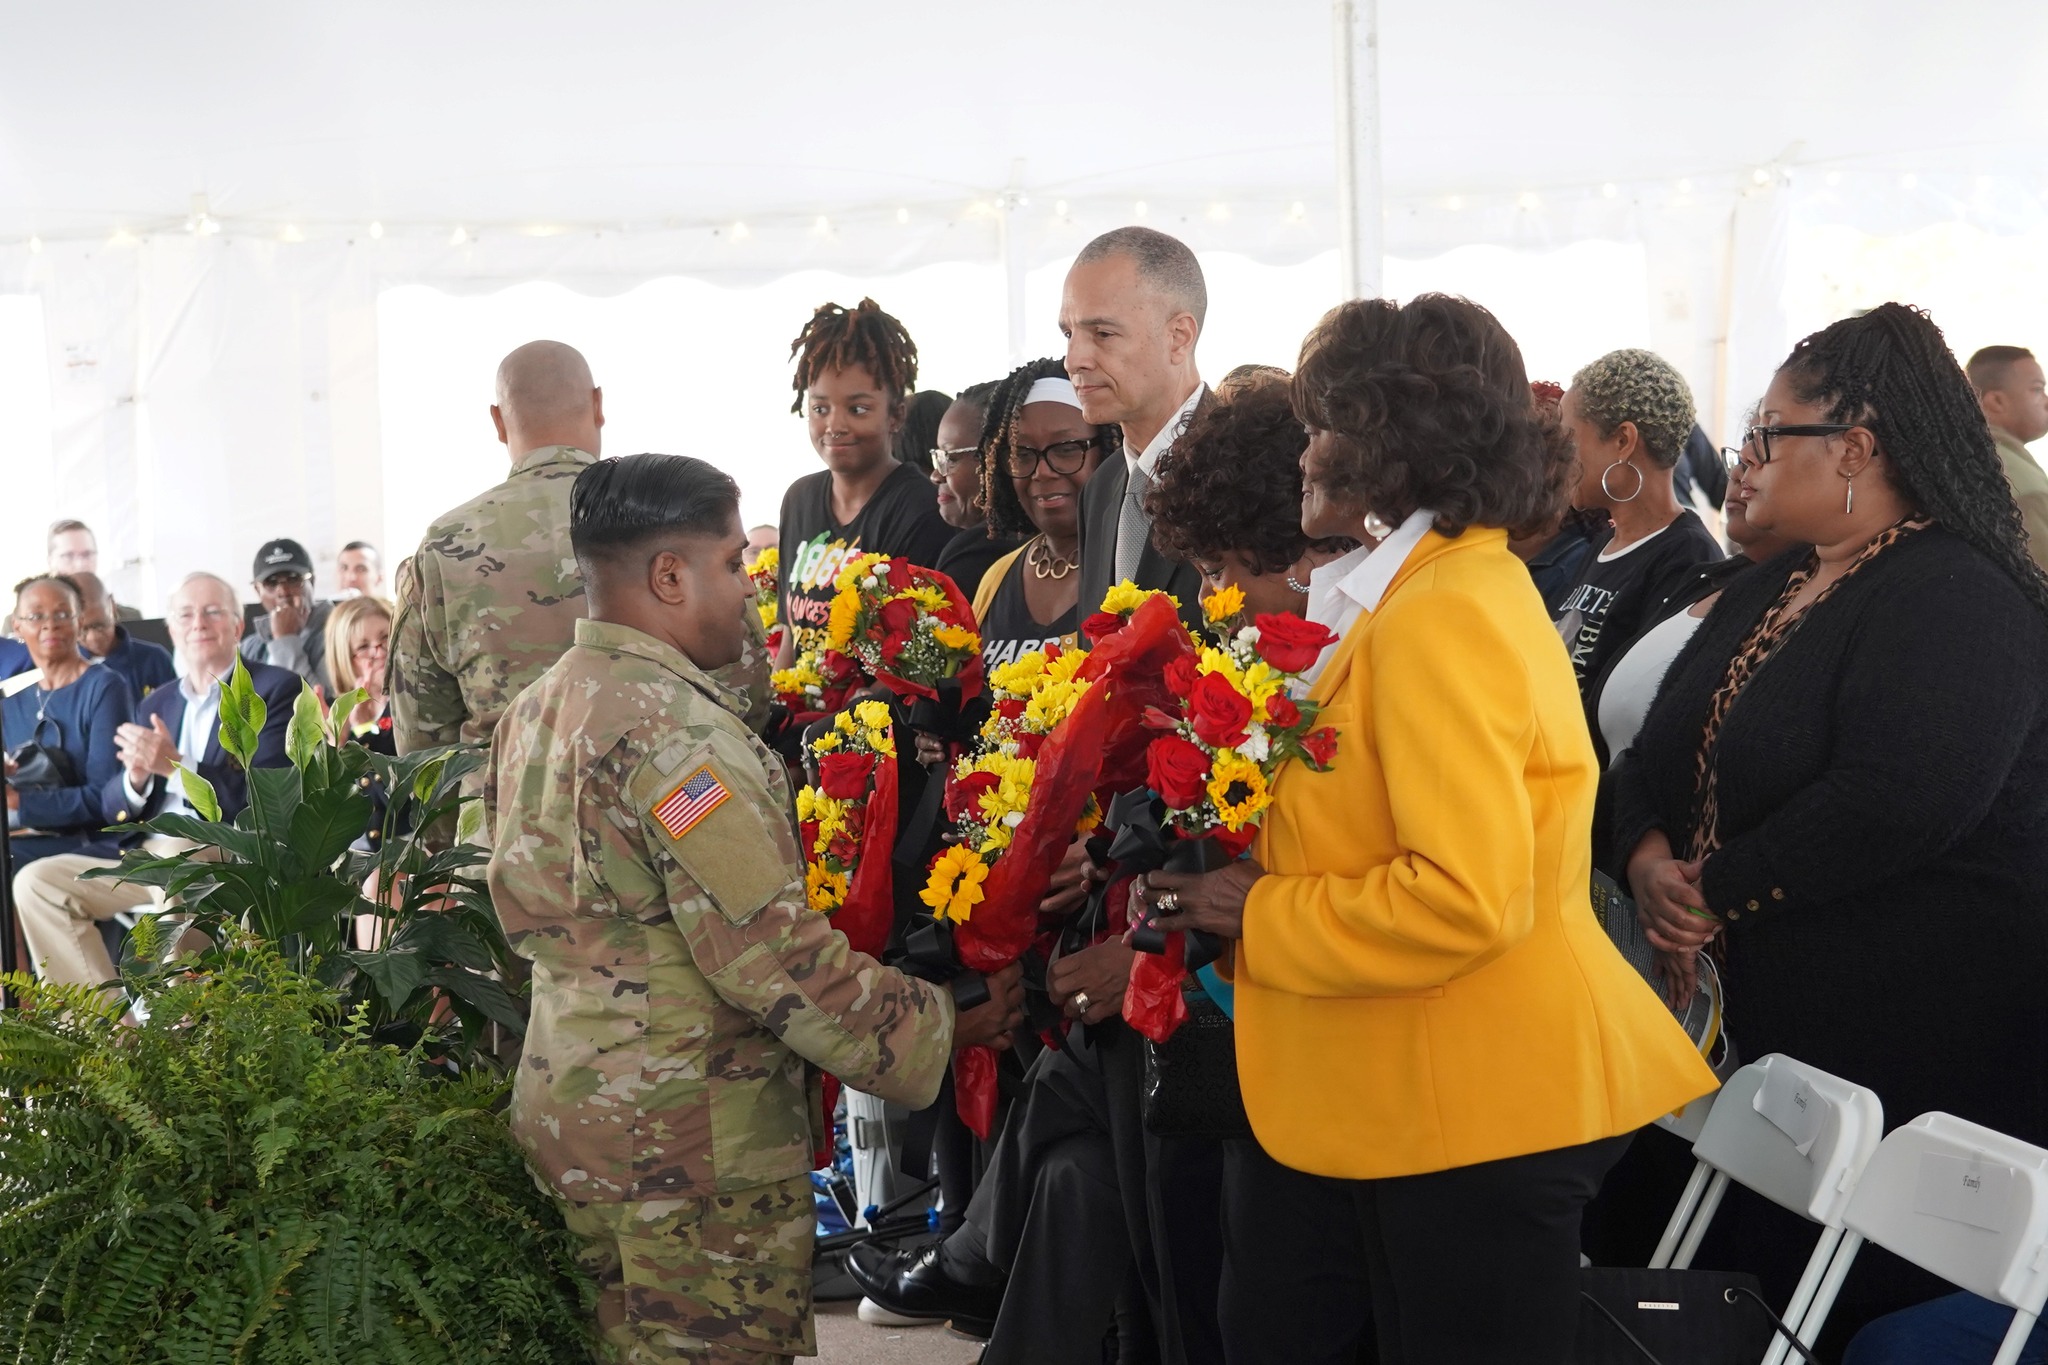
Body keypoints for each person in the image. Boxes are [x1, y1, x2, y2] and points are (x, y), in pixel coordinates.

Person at [1140, 294, 1715, 1365]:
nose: (1302, 448)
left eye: (1321, 422)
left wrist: (1253, 911)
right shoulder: (1409, 591)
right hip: (1420, 1098)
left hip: (1484, 1107)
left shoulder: (1443, 609)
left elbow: (1460, 894)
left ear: (1387, 442)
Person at [485, 452, 1022, 1363]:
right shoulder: (681, 745)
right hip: (688, 1153)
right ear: (668, 575)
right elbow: (776, 962)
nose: (748, 590)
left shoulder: (539, 709)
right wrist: (949, 1020)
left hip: (571, 1124)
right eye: (733, 563)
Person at [1614, 303, 2048, 1345]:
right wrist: (1643, 857)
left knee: (1811, 1308)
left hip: (1906, 1045)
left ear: (1855, 448)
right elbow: (1645, 751)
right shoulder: (1778, 580)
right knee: (1664, 1266)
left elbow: (1898, 798)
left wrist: (1715, 890)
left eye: (1768, 433)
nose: (1747, 459)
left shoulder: (1958, 594)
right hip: (1753, 1043)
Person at [12, 572, 299, 990]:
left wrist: (176, 765)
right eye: (186, 614)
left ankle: (180, 1025)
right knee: (36, 883)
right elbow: (114, 804)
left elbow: (269, 796)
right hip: (145, 851)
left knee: (180, 854)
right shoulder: (157, 700)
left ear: (237, 626)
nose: (197, 623)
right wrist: (136, 777)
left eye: (212, 612)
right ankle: (109, 1036)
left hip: (223, 849)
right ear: (172, 629)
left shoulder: (275, 689)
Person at [775, 300, 955, 665]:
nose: (835, 426)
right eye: (820, 408)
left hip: (871, 714)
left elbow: (912, 657)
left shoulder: (919, 507)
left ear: (896, 415)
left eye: (857, 409)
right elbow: (792, 638)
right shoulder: (799, 499)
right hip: (803, 712)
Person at [1552, 349, 1724, 707]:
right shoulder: (1602, 545)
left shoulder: (1689, 558)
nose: (1560, 457)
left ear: (1622, 442)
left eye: (1569, 439)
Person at [1066, 226, 1210, 636]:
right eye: (1068, 333)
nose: (1074, 358)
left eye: (1103, 334)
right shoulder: (1101, 487)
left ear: (1178, 337)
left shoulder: (1249, 467)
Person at [967, 360, 1114, 669]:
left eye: (1066, 448)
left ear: (1107, 451)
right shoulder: (997, 578)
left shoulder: (1129, 568)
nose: (1042, 472)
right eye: (1022, 454)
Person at [3, 575, 133, 866]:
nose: (50, 624)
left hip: (92, 841)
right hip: (28, 833)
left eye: (62, 614)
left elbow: (104, 796)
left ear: (80, 619)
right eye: (36, 616)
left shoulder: (105, 687)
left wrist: (18, 801)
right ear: (18, 625)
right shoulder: (11, 699)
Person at [928, 380, 1022, 599]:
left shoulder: (977, 554)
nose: (936, 475)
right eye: (938, 458)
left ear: (999, 458)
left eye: (950, 458)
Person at [1967, 344, 2048, 571]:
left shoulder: (1969, 455)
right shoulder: (2018, 479)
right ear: (1996, 401)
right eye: (2037, 389)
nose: (2047, 401)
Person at [239, 538, 334, 692]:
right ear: (257, 590)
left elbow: (320, 707)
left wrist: (286, 640)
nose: (283, 591)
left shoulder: (338, 635)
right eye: (271, 582)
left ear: (313, 582)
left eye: (293, 579)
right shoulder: (249, 648)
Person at [71, 571, 174, 700]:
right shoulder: (61, 668)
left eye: (100, 626)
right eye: (82, 631)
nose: (93, 638)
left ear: (112, 605)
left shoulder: (154, 660)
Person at [324, 595, 394, 753]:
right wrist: (337, 744)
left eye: (386, 637)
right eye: (363, 647)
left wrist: (363, 728)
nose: (380, 652)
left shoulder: (417, 700)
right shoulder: (334, 715)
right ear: (344, 660)